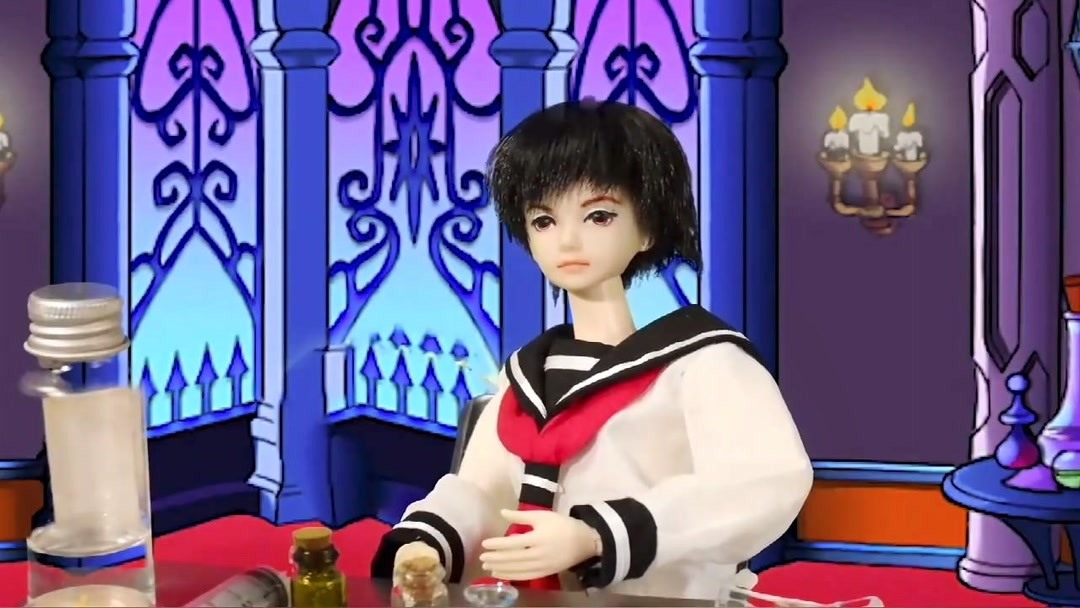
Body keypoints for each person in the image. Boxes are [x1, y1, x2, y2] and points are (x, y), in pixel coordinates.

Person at [370, 100, 813, 600]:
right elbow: (482, 490)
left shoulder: (703, 363)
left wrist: (598, 535)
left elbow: (763, 480)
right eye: (543, 221)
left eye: (599, 216)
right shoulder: (527, 377)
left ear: (646, 227)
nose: (567, 240)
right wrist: (428, 542)